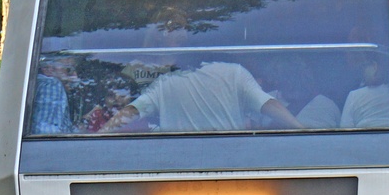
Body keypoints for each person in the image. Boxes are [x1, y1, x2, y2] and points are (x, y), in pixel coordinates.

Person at [105, 61, 302, 133]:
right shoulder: (235, 73)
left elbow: (130, 112)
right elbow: (268, 105)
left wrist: (97, 137)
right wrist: (302, 131)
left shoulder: (166, 82)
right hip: (232, 167)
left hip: (176, 170)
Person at [339, 52, 389, 129]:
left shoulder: (354, 95)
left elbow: (345, 129)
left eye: (364, 66)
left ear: (375, 67)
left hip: (364, 139)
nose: (363, 72)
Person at [30, 57, 78, 134]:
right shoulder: (52, 84)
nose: (75, 76)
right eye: (68, 70)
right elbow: (48, 130)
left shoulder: (39, 84)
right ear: (47, 69)